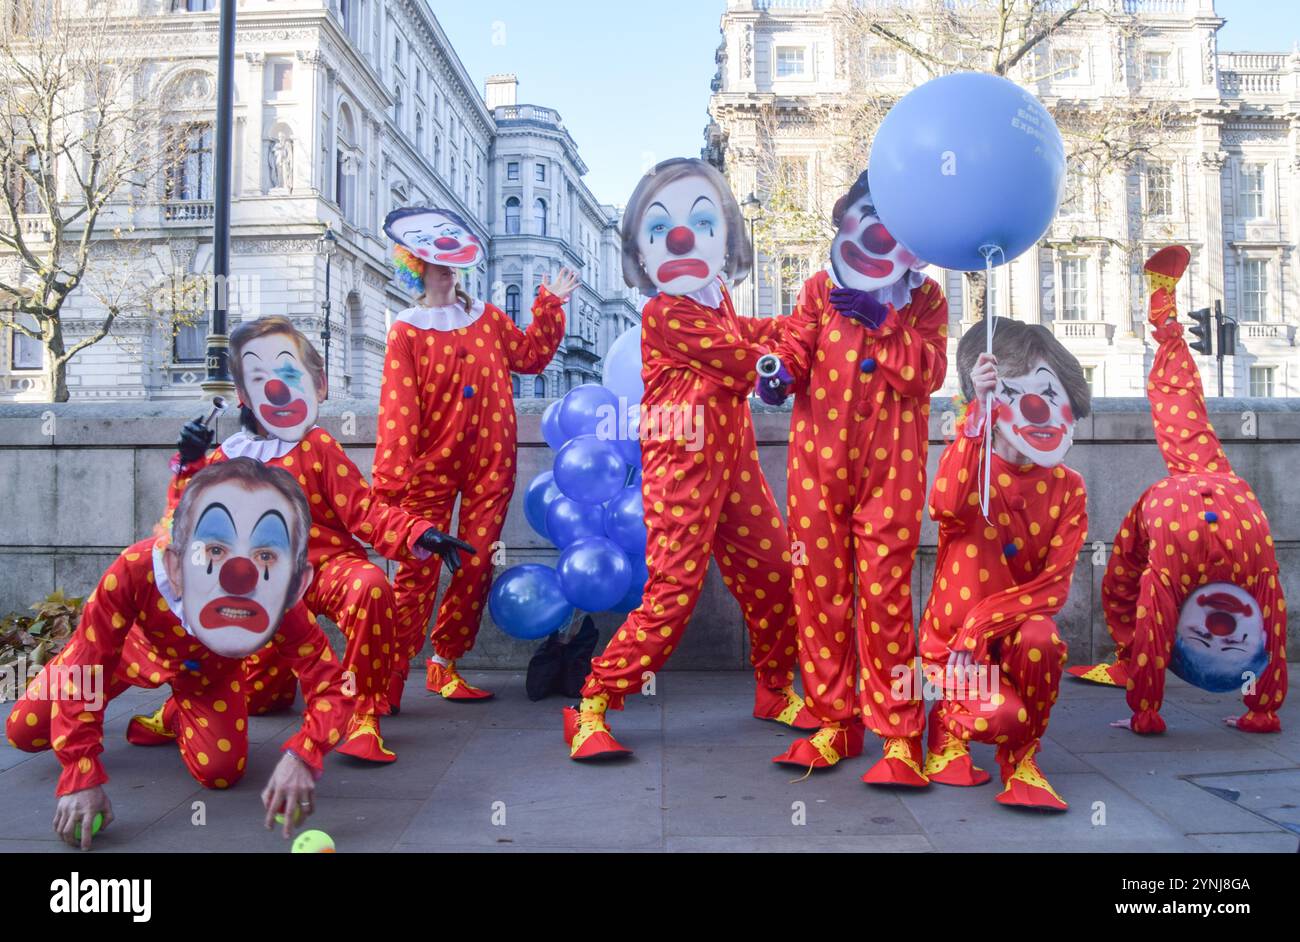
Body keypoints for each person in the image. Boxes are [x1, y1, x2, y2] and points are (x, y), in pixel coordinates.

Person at [565, 157, 816, 760]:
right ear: (643, 252)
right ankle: (591, 704)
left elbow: (749, 331)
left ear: (725, 235)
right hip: (681, 467)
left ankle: (774, 689)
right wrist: (802, 333)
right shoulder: (665, 312)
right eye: (661, 229)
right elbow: (740, 358)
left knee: (776, 574)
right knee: (671, 598)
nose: (681, 237)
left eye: (701, 223)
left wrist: (808, 317)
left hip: (734, 463)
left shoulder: (715, 294)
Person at [167, 316, 472, 763]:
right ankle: (185, 708)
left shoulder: (317, 445)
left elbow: (362, 510)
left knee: (369, 586)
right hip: (260, 586)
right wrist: (189, 465)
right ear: (243, 393)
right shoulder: (224, 457)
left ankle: (361, 713)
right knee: (260, 698)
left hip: (325, 568)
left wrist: (419, 531)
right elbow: (182, 523)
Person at [6, 459, 350, 849]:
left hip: (207, 676)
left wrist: (306, 754)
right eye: (216, 548)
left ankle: (174, 715)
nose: (240, 573)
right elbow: (89, 665)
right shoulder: (135, 569)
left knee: (221, 773)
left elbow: (331, 685)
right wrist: (80, 771)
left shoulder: (279, 599)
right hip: (122, 657)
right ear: (174, 561)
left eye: (266, 555)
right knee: (24, 732)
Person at [761, 170, 949, 783]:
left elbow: (928, 375)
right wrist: (775, 376)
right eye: (867, 211)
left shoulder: (926, 299)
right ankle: (833, 721)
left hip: (892, 471)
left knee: (887, 599)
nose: (876, 227)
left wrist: (883, 321)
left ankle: (897, 732)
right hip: (818, 469)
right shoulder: (818, 289)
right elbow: (794, 352)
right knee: (819, 595)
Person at [1068, 246, 1287, 735]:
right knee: (1157, 592)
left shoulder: (1206, 477)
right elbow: (1270, 620)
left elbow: (1178, 400)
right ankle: (1262, 711)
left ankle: (1144, 705)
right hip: (1229, 516)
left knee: (1135, 585)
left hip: (1215, 501)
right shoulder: (1204, 483)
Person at [375, 206, 576, 704]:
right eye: (430, 257)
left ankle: (444, 663)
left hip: (491, 459)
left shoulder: (484, 316)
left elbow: (531, 356)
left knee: (476, 562)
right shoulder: (407, 329)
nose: (444, 265)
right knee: (417, 569)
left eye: (447, 257)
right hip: (428, 466)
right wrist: (390, 487)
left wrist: (550, 304)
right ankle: (390, 676)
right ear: (414, 264)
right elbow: (399, 409)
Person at [917, 318, 1090, 810]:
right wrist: (975, 414)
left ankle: (1023, 760)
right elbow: (944, 504)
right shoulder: (974, 463)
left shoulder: (1068, 487)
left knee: (1043, 637)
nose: (1036, 406)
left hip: (1008, 637)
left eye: (1047, 391)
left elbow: (1055, 588)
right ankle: (948, 722)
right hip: (953, 648)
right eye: (1014, 392)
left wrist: (983, 621)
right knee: (1003, 715)